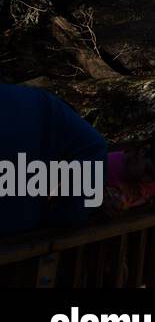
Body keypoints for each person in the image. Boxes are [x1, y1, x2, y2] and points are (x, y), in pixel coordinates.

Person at [0, 83, 108, 236]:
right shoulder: (42, 105)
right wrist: (68, 214)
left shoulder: (42, 105)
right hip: (22, 231)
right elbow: (94, 147)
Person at [104, 135, 155, 217]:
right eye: (147, 171)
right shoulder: (106, 164)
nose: (146, 180)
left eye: (154, 179)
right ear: (143, 151)